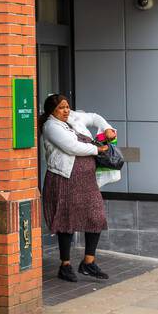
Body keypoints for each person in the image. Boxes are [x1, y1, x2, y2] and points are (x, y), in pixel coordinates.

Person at [39, 94, 115, 282]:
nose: (66, 111)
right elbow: (72, 147)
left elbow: (95, 117)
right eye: (61, 108)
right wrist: (98, 149)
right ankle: (65, 265)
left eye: (67, 106)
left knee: (96, 217)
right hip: (64, 178)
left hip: (86, 180)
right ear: (52, 112)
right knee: (66, 220)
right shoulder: (51, 126)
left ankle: (88, 263)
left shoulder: (73, 117)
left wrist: (107, 128)